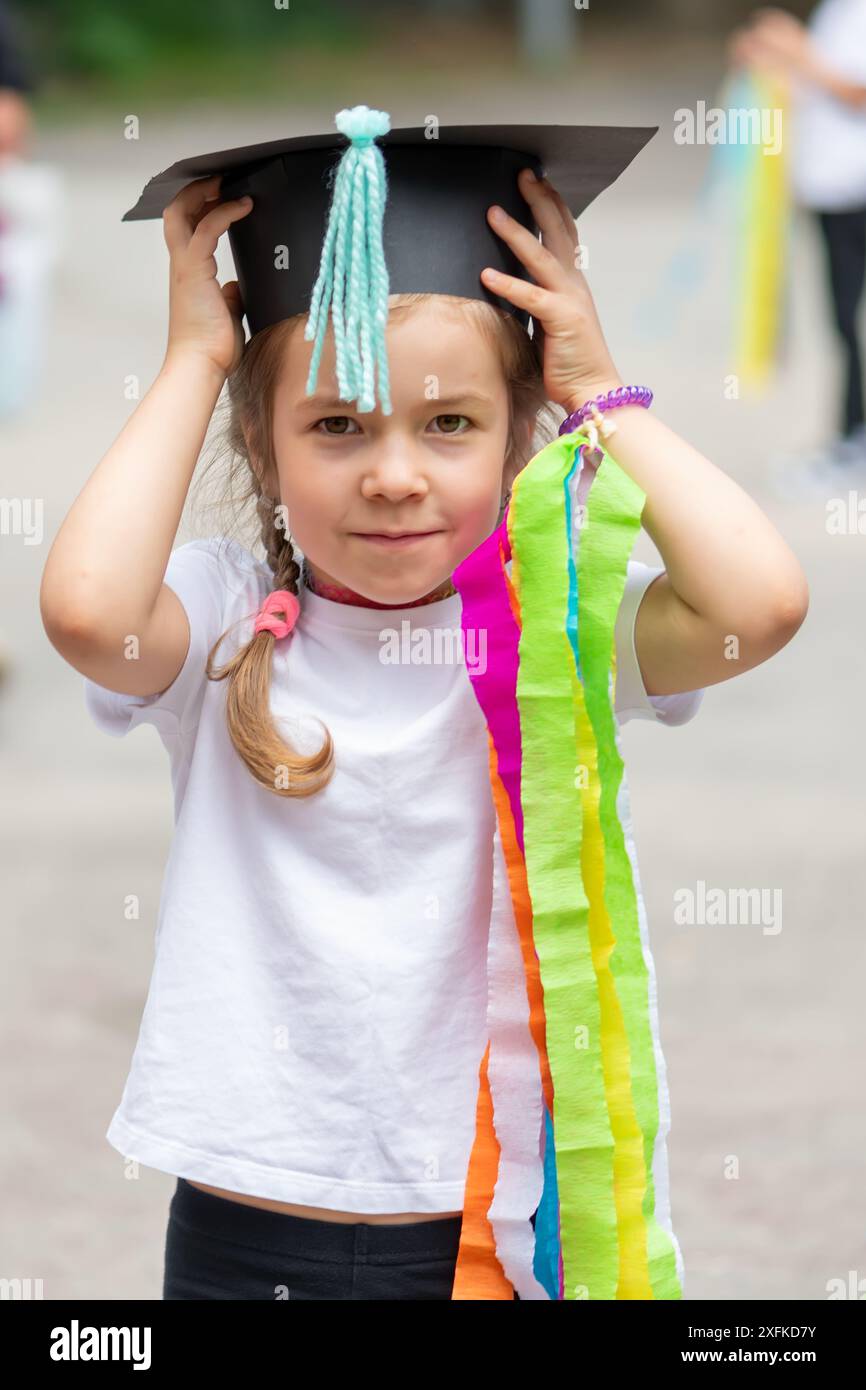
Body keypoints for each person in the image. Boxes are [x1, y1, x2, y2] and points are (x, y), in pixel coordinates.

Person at [39, 108, 809, 1301]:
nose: (392, 473)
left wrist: (602, 388)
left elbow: (755, 604)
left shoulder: (556, 629)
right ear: (262, 440)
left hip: (481, 1236)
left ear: (518, 436)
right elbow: (88, 611)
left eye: (448, 424)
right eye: (335, 426)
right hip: (251, 1233)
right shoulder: (221, 614)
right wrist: (197, 360)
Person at [730, 3, 866, 474]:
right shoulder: (837, 10)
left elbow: (856, 91)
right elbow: (821, 88)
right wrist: (770, 64)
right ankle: (851, 433)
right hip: (829, 194)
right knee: (843, 322)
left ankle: (854, 439)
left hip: (856, 194)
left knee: (853, 322)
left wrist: (799, 50)